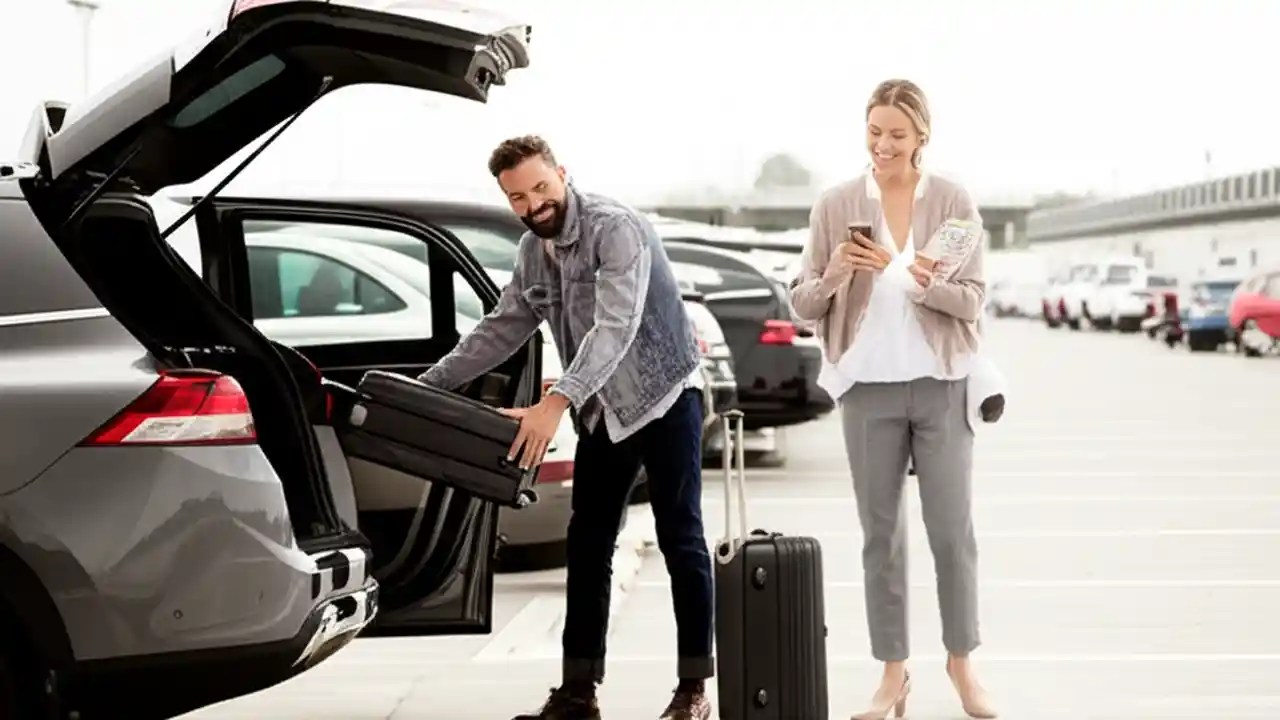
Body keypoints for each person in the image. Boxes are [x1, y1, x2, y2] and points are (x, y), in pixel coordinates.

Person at [417, 135, 714, 720]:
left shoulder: (615, 228)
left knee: (682, 538)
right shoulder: (534, 249)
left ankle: (693, 691)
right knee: (588, 542)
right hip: (603, 409)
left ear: (562, 174)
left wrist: (556, 399)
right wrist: (429, 387)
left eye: (541, 189)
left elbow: (616, 327)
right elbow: (503, 327)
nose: (534, 205)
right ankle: (579, 692)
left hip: (665, 398)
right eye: (519, 198)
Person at [789, 79, 998, 720]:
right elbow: (802, 304)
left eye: (897, 135)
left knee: (951, 534)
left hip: (942, 383)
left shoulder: (954, 201)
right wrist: (841, 271)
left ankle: (963, 667)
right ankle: (892, 676)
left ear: (921, 137)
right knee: (881, 537)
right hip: (867, 387)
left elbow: (972, 301)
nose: (883, 145)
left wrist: (905, 274)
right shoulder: (836, 203)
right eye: (875, 131)